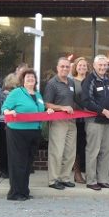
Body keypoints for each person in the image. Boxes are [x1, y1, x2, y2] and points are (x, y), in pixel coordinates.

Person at [2, 68, 47, 201]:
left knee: (27, 163)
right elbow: (4, 108)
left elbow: (40, 110)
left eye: (33, 77)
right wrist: (9, 113)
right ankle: (15, 193)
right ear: (23, 80)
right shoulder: (16, 92)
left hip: (34, 131)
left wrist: (47, 111)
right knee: (18, 162)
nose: (30, 79)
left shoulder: (38, 95)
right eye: (28, 77)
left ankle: (24, 191)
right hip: (17, 132)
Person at [82, 54, 109, 191]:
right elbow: (87, 101)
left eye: (105, 65)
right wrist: (104, 111)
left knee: (106, 151)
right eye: (100, 65)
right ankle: (91, 180)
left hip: (107, 122)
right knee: (93, 151)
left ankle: (103, 179)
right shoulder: (89, 80)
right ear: (94, 65)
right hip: (94, 121)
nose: (103, 67)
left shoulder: (107, 80)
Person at [44, 58, 78, 190]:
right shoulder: (52, 83)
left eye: (67, 67)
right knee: (56, 152)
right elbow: (46, 104)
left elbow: (74, 100)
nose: (65, 69)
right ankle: (53, 180)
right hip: (58, 122)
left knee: (70, 152)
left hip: (71, 121)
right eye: (62, 66)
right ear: (57, 68)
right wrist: (62, 108)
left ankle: (64, 178)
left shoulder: (71, 82)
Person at [71, 56, 89, 184]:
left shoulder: (90, 81)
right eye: (80, 65)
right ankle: (76, 172)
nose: (82, 67)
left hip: (89, 118)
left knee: (86, 146)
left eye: (84, 65)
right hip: (76, 118)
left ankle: (87, 171)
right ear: (75, 67)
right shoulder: (71, 81)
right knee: (77, 146)